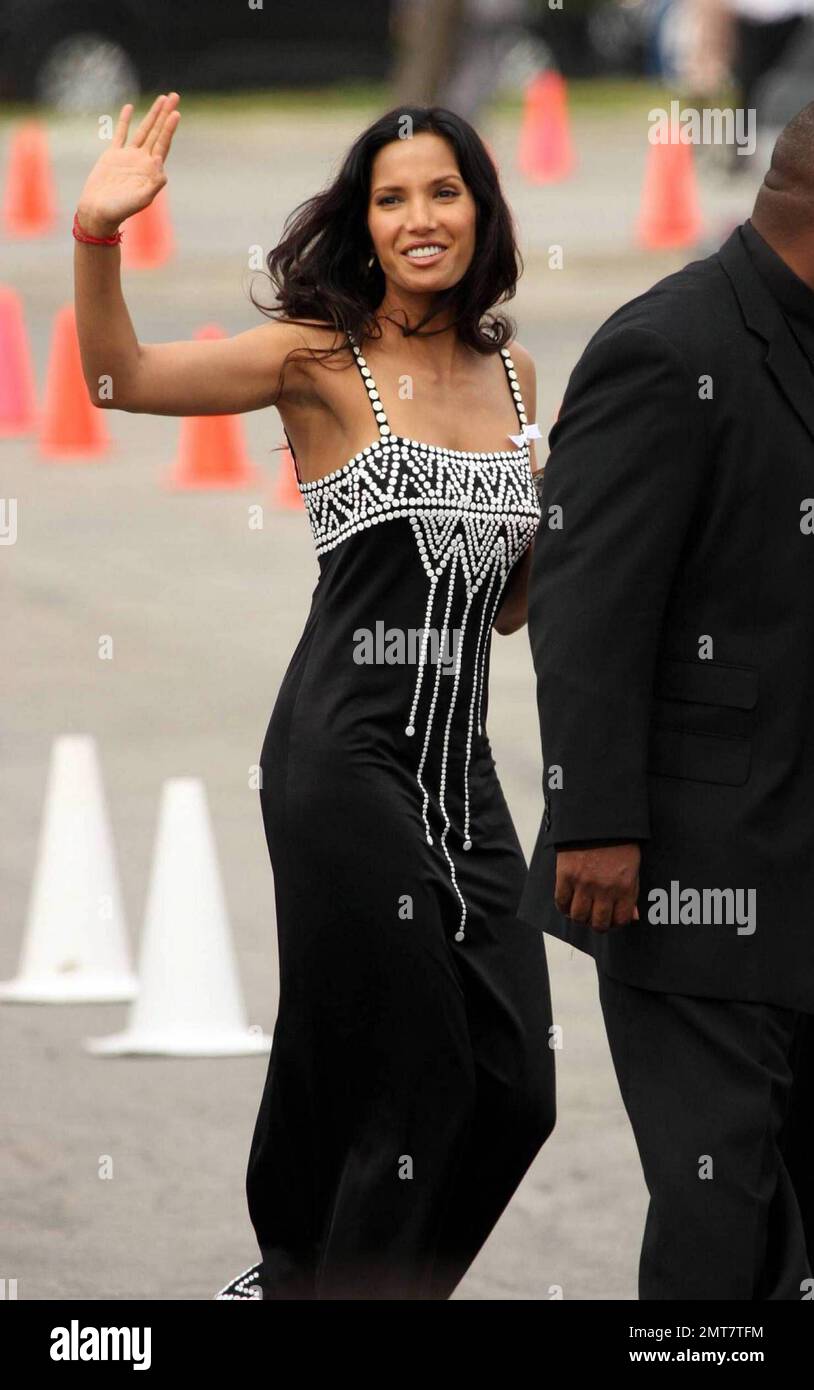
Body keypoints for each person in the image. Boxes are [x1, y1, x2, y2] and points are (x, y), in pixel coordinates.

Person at [74, 94, 555, 1300]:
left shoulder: (515, 370)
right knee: (416, 1075)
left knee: (516, 1092)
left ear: (480, 209)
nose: (419, 217)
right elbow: (119, 381)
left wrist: (577, 507)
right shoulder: (315, 358)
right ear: (365, 223)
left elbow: (502, 607)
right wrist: (96, 239)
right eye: (391, 198)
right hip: (342, 759)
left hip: (463, 776)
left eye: (442, 191)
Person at [520, 99, 814, 1300]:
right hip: (687, 870)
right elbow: (588, 603)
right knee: (716, 1202)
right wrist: (596, 818)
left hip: (799, 855)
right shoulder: (671, 346)